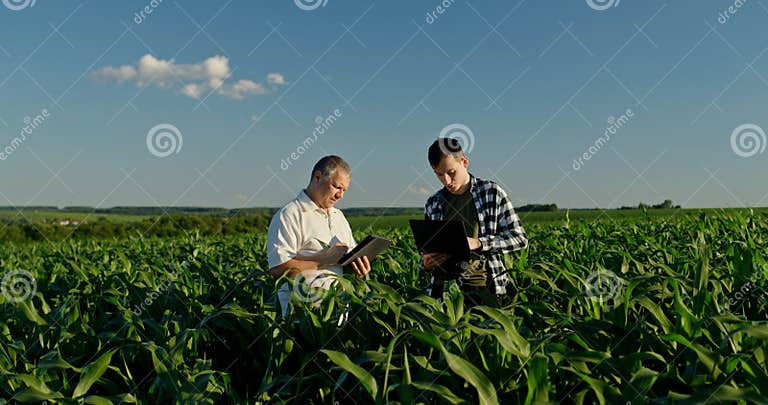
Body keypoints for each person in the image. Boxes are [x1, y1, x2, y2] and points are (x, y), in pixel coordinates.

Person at [419, 138, 528, 306]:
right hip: (443, 295)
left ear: (464, 162)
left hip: (483, 292)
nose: (447, 180)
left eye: (451, 172)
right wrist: (426, 263)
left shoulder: (492, 193)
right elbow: (426, 252)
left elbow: (519, 238)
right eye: (440, 175)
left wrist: (478, 243)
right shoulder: (433, 203)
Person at [267, 155, 371, 317]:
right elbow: (278, 269)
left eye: (344, 190)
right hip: (302, 318)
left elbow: (348, 257)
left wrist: (358, 267)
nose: (340, 195)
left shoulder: (339, 217)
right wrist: (321, 260)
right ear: (317, 177)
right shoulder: (290, 214)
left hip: (338, 315)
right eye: (337, 187)